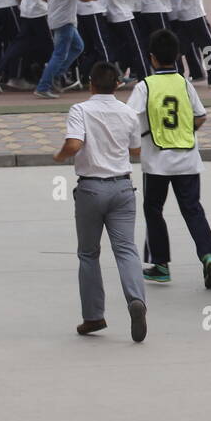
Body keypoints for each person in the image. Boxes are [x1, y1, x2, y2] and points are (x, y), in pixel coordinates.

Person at [52, 61, 148, 342]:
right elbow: (135, 149)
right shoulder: (128, 112)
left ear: (90, 83)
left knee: (88, 254)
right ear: (118, 84)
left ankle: (93, 316)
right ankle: (136, 300)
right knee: (126, 250)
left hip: (91, 189)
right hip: (122, 187)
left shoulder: (80, 110)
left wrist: (58, 157)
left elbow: (73, 145)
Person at [127, 29, 211, 289]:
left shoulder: (144, 86)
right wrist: (185, 130)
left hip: (157, 161)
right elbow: (201, 116)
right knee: (192, 209)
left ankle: (160, 265)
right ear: (178, 57)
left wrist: (134, 142)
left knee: (154, 210)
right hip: (188, 158)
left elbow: (127, 118)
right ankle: (208, 255)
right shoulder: (184, 83)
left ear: (151, 58)